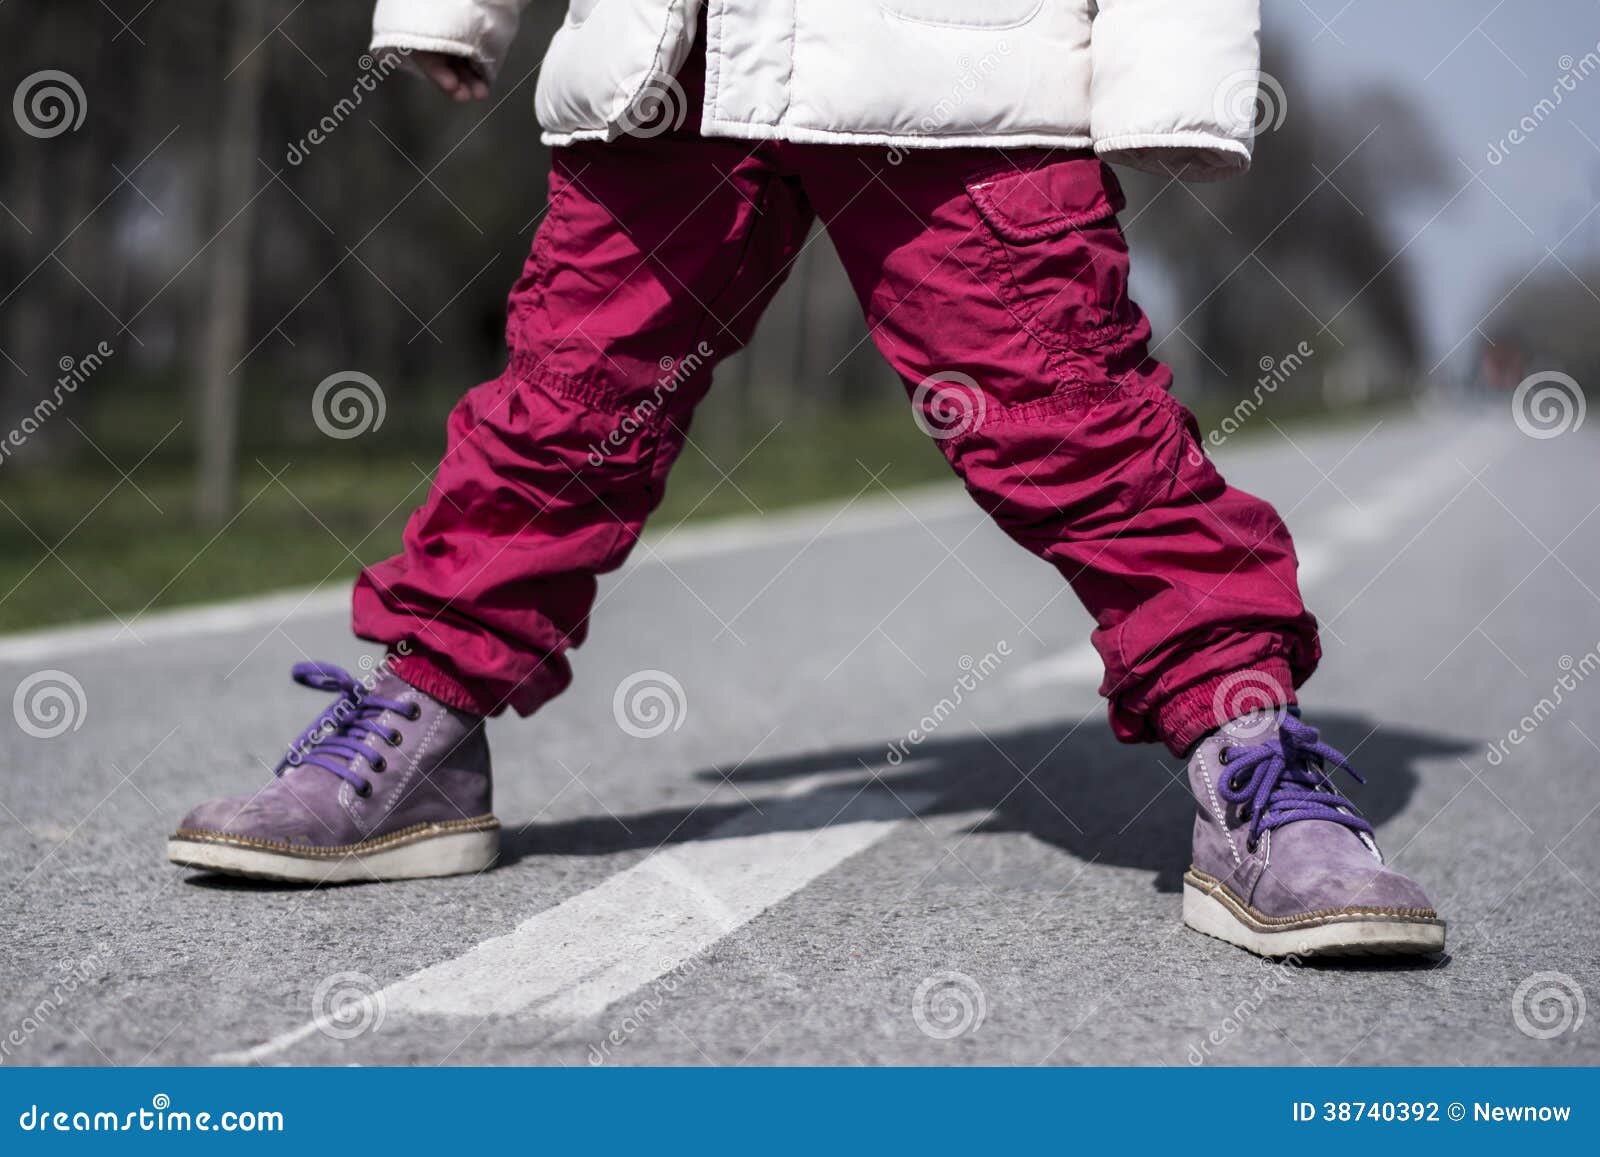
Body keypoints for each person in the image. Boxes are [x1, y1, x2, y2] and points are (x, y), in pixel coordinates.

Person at [168, 0, 1444, 958]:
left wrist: (1178, 84)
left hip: (963, 70)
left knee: (1083, 430)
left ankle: (1250, 761)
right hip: (674, 58)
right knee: (561, 417)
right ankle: (422, 731)